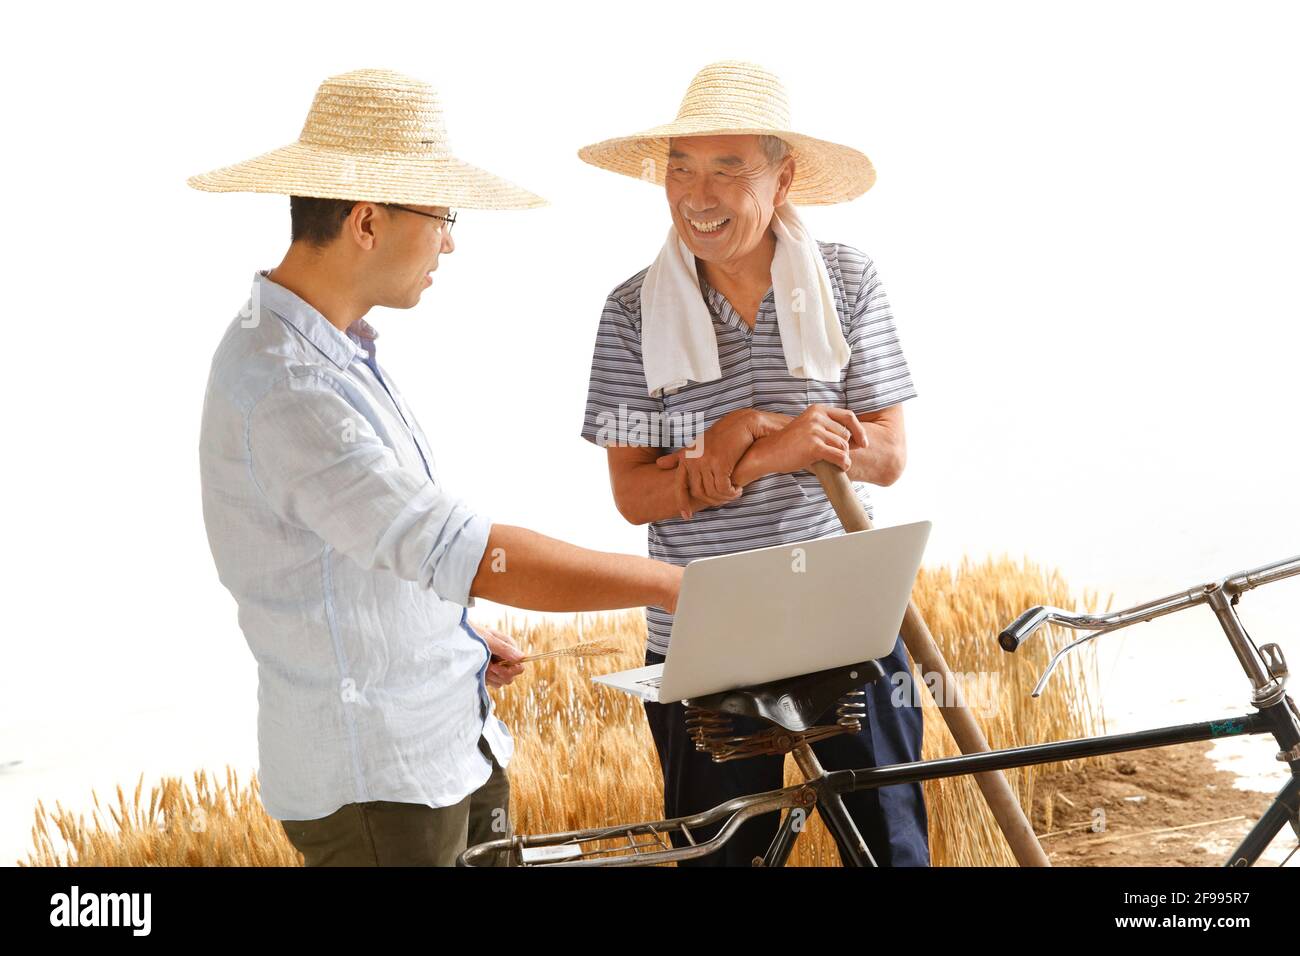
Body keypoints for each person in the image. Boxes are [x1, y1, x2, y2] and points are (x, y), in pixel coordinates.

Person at [189, 68, 682, 867]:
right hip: (384, 788)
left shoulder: (330, 348)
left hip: (441, 748)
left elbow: (373, 543)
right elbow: (466, 548)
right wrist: (671, 586)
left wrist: (447, 633)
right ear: (367, 222)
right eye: (443, 217)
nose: (450, 240)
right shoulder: (290, 386)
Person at [576, 60, 929, 866]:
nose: (699, 196)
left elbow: (885, 455)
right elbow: (635, 494)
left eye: (729, 169)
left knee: (891, 850)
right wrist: (762, 434)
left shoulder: (846, 280)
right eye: (681, 168)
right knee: (718, 856)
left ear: (785, 177)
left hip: (845, 612)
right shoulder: (632, 313)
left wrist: (751, 444)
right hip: (703, 628)